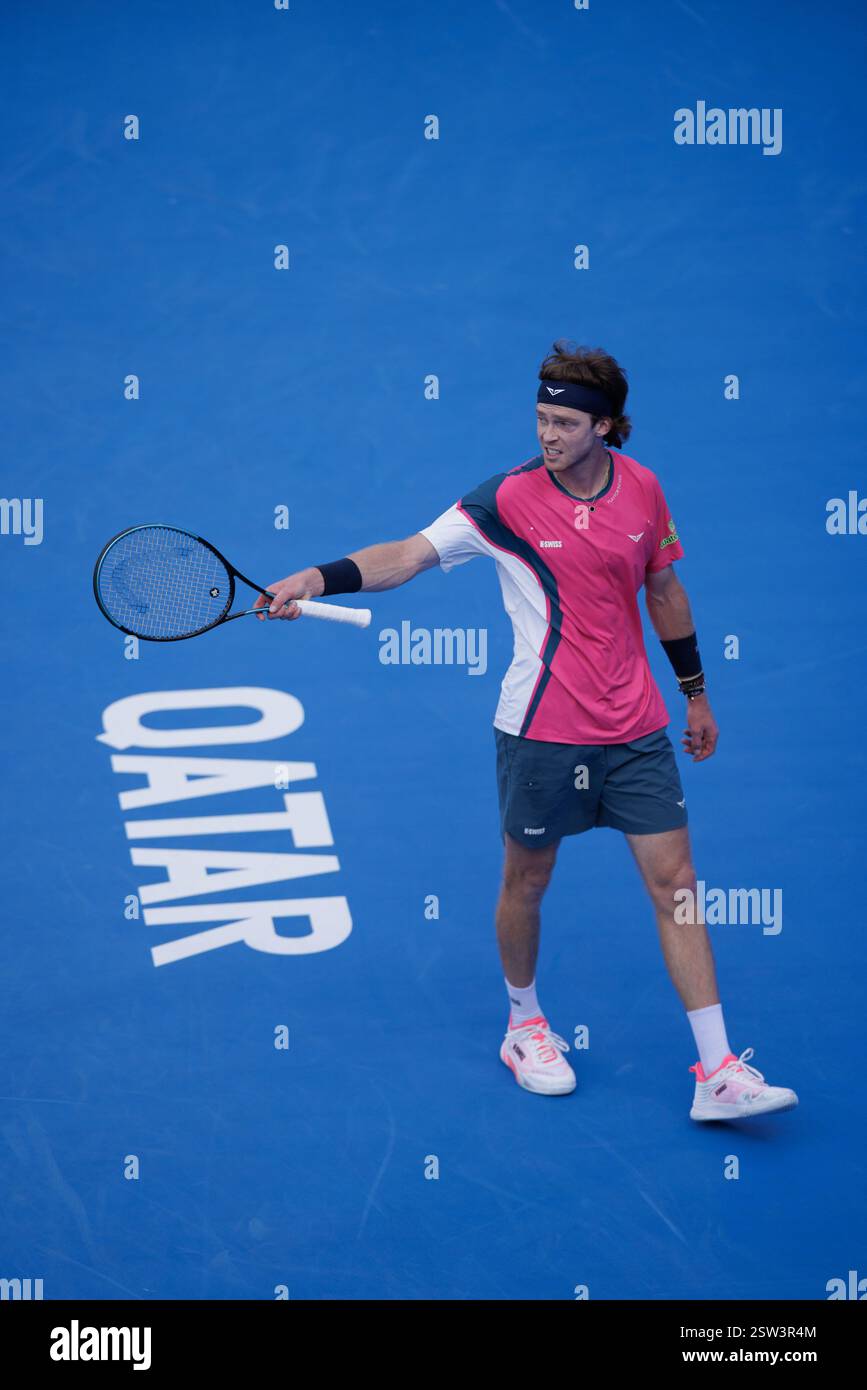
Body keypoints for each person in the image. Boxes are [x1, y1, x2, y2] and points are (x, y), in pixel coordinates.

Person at [256, 341, 797, 1123]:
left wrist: (695, 695)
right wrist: (315, 575)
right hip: (542, 731)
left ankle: (716, 1070)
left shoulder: (644, 491)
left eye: (565, 423)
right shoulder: (505, 499)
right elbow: (406, 556)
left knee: (677, 888)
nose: (547, 435)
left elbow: (664, 589)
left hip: (636, 728)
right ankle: (524, 1024)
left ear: (605, 426)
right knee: (527, 883)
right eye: (541, 419)